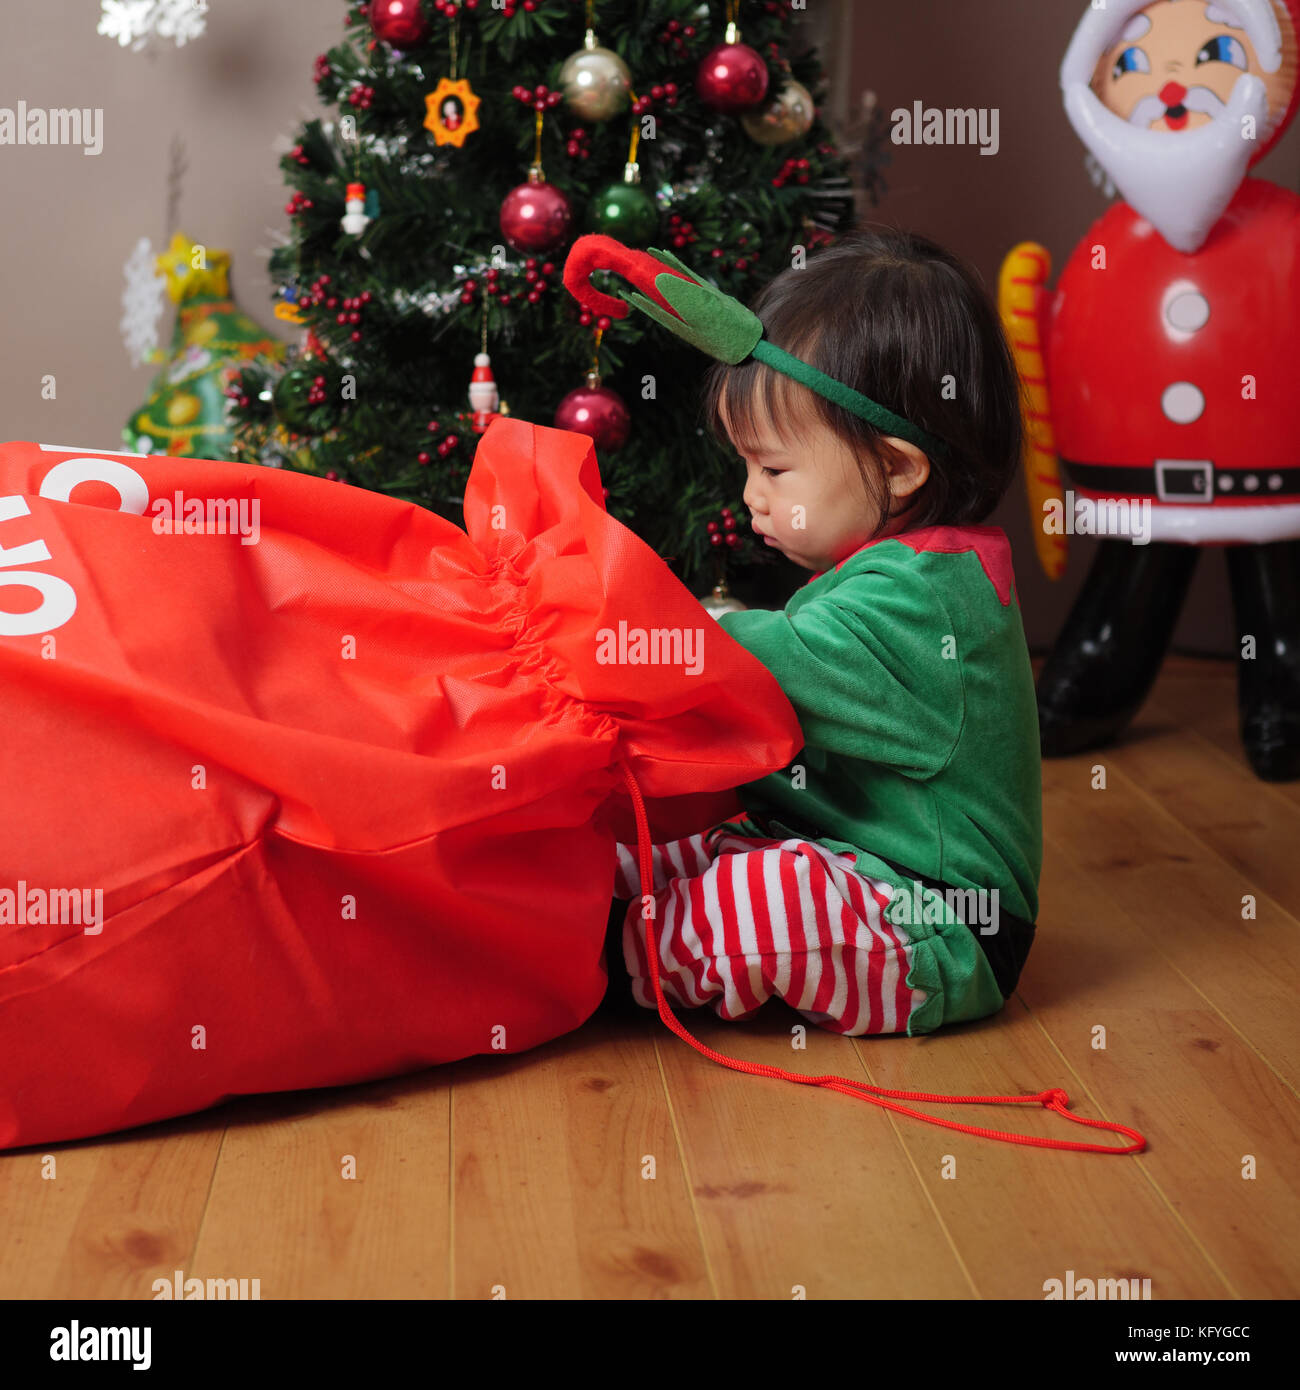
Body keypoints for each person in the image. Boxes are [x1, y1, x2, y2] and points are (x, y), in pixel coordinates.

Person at [600, 228, 1042, 1037]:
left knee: (763, 904)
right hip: (824, 848)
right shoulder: (894, 564)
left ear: (900, 467)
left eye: (773, 470)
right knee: (640, 852)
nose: (750, 496)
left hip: (937, 922)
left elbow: (765, 660)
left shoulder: (928, 603)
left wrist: (638, 628)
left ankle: (593, 962)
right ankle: (596, 908)